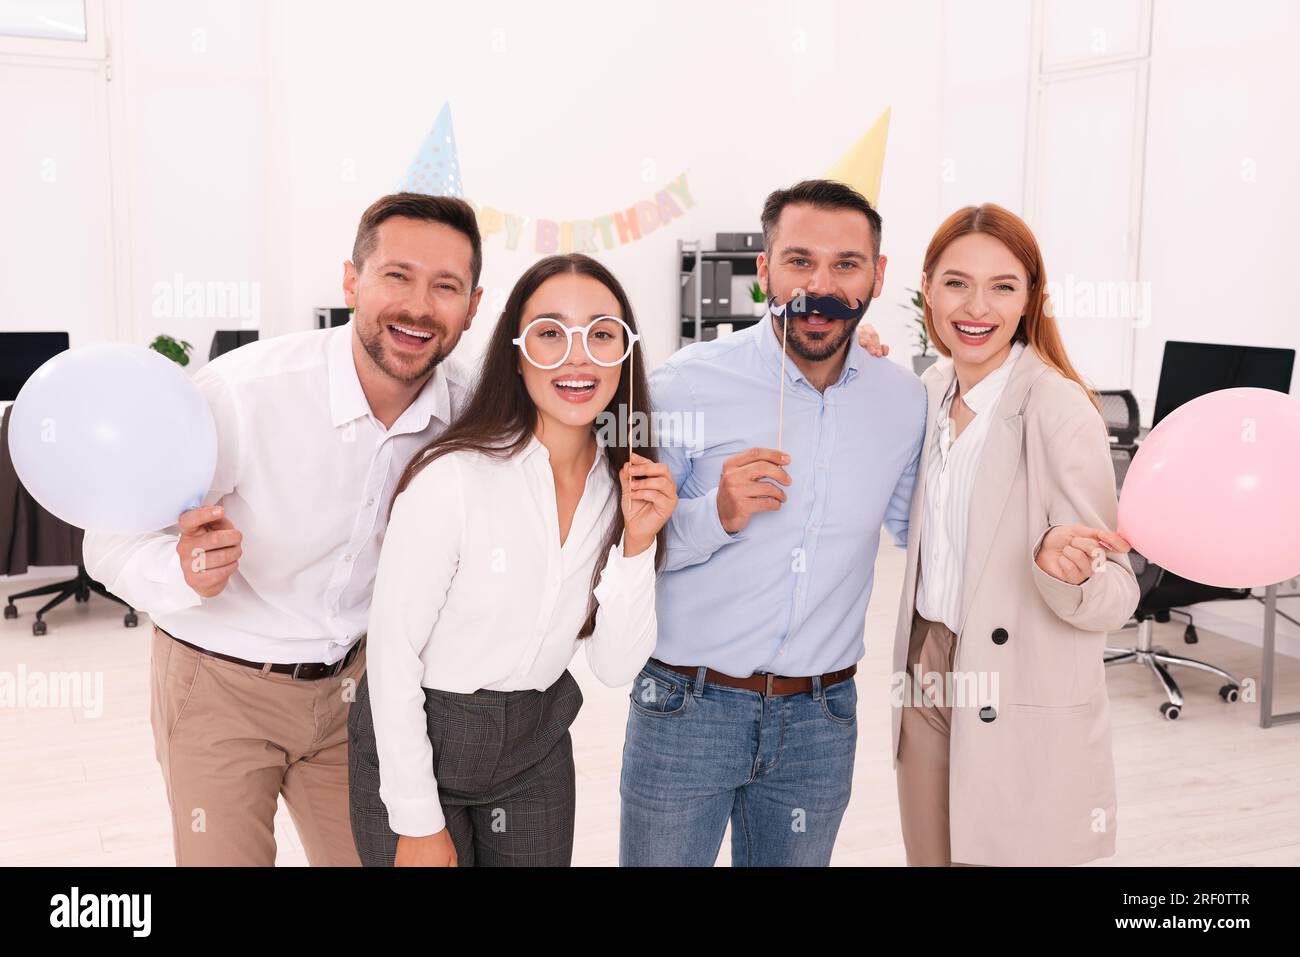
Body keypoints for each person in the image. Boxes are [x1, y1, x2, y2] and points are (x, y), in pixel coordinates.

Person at [82, 193, 483, 865]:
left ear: (471, 306)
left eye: (446, 286)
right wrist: (181, 570)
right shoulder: (243, 392)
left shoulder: (468, 413)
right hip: (220, 687)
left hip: (355, 691)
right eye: (397, 276)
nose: (418, 306)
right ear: (352, 281)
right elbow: (110, 538)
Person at [619, 179, 926, 867]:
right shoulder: (683, 385)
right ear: (764, 272)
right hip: (684, 708)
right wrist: (715, 513)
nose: (820, 283)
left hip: (820, 721)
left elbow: (919, 532)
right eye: (799, 261)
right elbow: (632, 547)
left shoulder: (904, 402)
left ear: (877, 276)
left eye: (846, 264)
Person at [348, 253, 676, 867]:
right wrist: (418, 820)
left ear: (625, 354)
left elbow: (613, 666)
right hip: (421, 734)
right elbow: (391, 657)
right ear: (517, 351)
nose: (578, 357)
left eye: (601, 335)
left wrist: (638, 543)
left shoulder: (622, 491)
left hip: (535, 743)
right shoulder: (455, 478)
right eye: (551, 333)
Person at [886, 204, 1140, 866]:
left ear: (1030, 299)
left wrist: (1068, 571)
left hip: (1016, 678)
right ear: (928, 291)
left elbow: (1120, 589)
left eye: (1003, 285)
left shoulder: (1056, 406)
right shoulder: (932, 391)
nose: (977, 305)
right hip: (928, 668)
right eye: (956, 282)